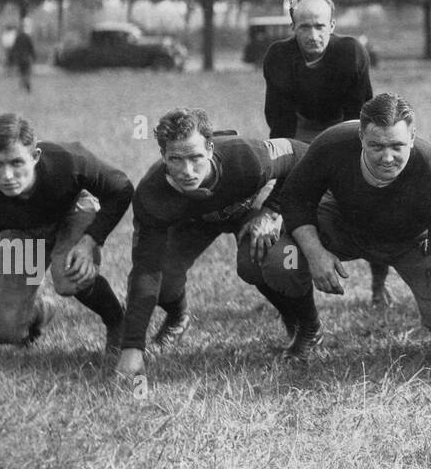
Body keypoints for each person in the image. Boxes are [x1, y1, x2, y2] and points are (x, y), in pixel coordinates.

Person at [259, 93, 431, 375]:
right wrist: (314, 253)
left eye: (397, 145)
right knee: (281, 262)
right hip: (344, 226)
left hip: (409, 242)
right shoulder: (332, 143)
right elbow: (296, 199)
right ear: (360, 137)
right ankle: (308, 329)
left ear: (412, 137)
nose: (387, 157)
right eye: (376, 146)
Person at [113, 109, 306, 379]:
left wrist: (272, 210)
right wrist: (132, 347)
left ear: (211, 148)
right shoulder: (152, 194)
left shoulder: (247, 158)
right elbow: (146, 268)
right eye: (175, 160)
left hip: (248, 206)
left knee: (268, 260)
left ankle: (301, 323)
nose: (187, 171)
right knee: (164, 278)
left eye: (195, 157)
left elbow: (303, 154)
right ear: (163, 157)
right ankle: (177, 318)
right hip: (195, 220)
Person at [0, 114, 132, 385]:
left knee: (67, 276)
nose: (7, 176)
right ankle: (37, 313)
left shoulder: (67, 161)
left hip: (71, 213)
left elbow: (121, 189)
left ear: (35, 156)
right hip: (22, 234)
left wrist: (91, 241)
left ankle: (116, 318)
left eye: (16, 162)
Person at [262, 0, 389, 305]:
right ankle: (287, 279)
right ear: (293, 28)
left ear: (332, 26)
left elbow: (361, 117)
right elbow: (280, 126)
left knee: (371, 193)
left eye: (320, 26)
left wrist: (346, 165)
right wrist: (280, 191)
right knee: (294, 197)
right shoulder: (278, 57)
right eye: (304, 27)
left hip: (345, 124)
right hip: (300, 127)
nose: (312, 34)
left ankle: (378, 283)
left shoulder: (351, 52)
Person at [8, 18, 35, 93]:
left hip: (19, 57)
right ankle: (26, 82)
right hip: (26, 57)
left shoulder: (18, 37)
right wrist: (33, 56)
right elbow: (31, 47)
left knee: (22, 71)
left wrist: (12, 57)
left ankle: (24, 82)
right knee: (26, 71)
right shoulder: (27, 37)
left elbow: (14, 48)